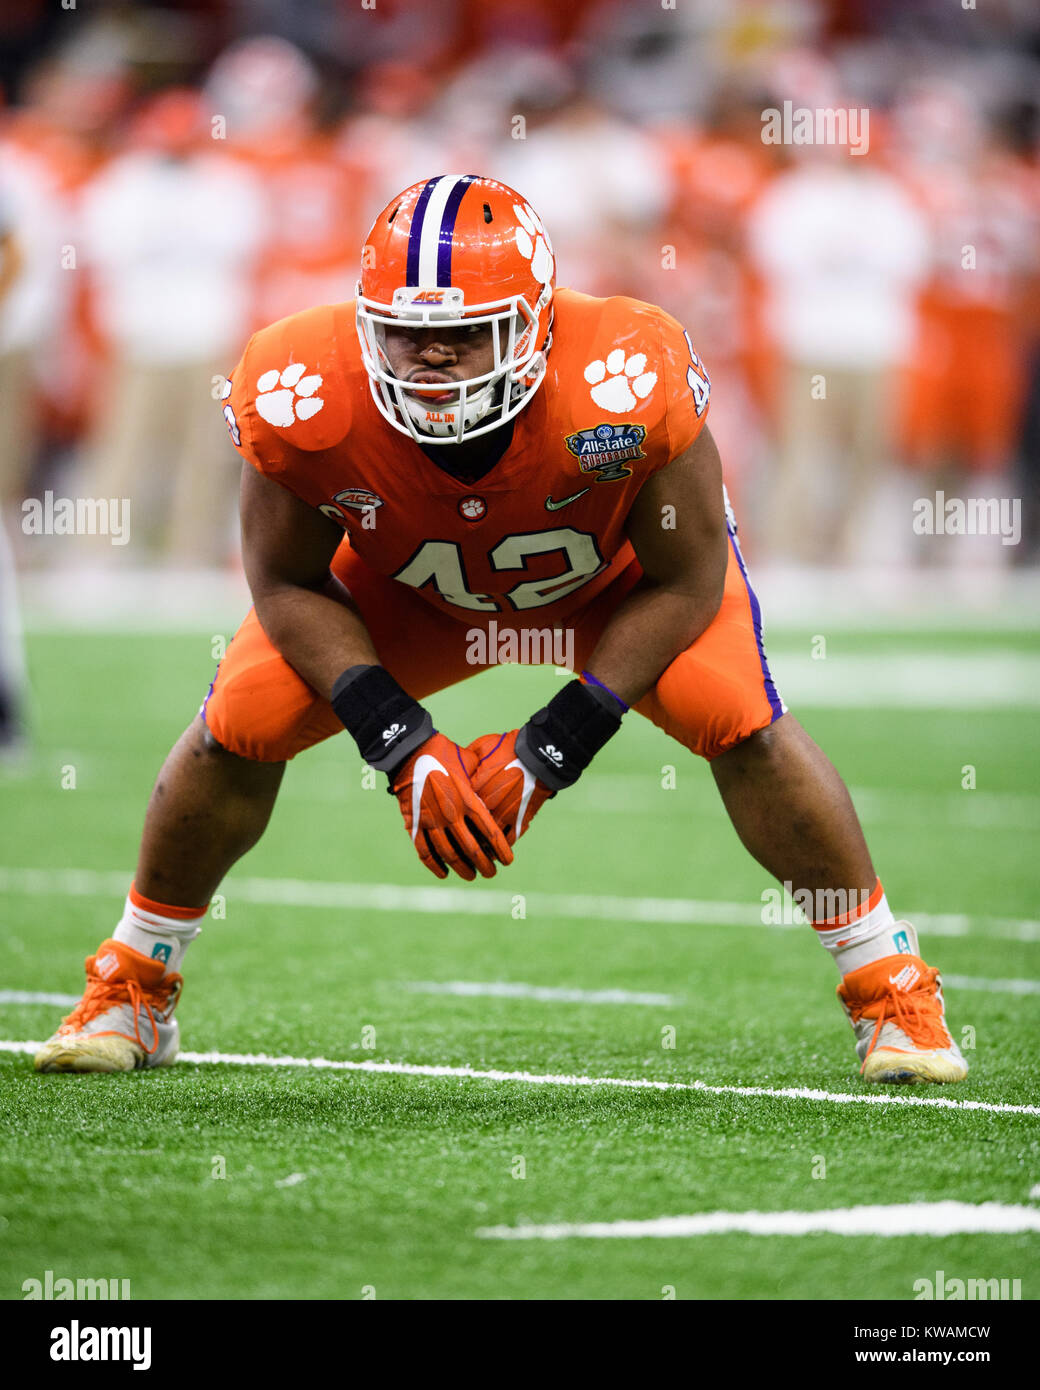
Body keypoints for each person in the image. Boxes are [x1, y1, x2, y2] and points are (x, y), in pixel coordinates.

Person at [35, 175, 966, 1085]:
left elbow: (689, 580)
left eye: (463, 338)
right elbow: (285, 578)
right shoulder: (302, 385)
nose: (429, 359)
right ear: (366, 324)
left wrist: (556, 743)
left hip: (618, 582)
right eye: (405, 334)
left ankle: (890, 986)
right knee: (241, 719)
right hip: (415, 584)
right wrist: (398, 740)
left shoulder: (626, 370)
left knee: (740, 715)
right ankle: (134, 983)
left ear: (536, 325)